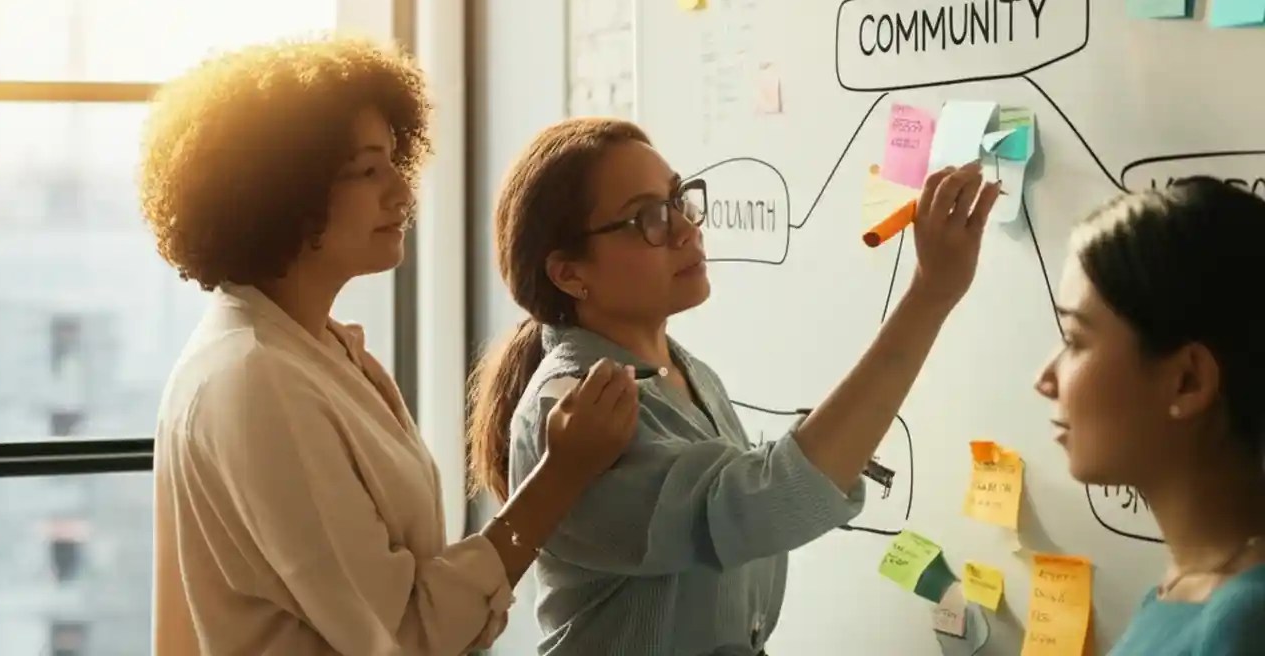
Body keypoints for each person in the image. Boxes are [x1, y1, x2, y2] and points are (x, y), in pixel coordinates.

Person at [142, 36, 638, 656]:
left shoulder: (315, 349)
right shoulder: (256, 378)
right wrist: (558, 477)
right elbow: (402, 634)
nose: (401, 193)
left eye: (394, 163)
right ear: (281, 191)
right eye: (367, 170)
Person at [465, 116, 1000, 654]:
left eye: (678, 199)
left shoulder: (687, 373)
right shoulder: (575, 410)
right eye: (646, 218)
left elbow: (751, 498)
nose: (684, 228)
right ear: (569, 274)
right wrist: (930, 294)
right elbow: (755, 506)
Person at [1035, 177, 1265, 656]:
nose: (1045, 379)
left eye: (1075, 341)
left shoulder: (1242, 625)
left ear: (1188, 381)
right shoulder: (1178, 593)